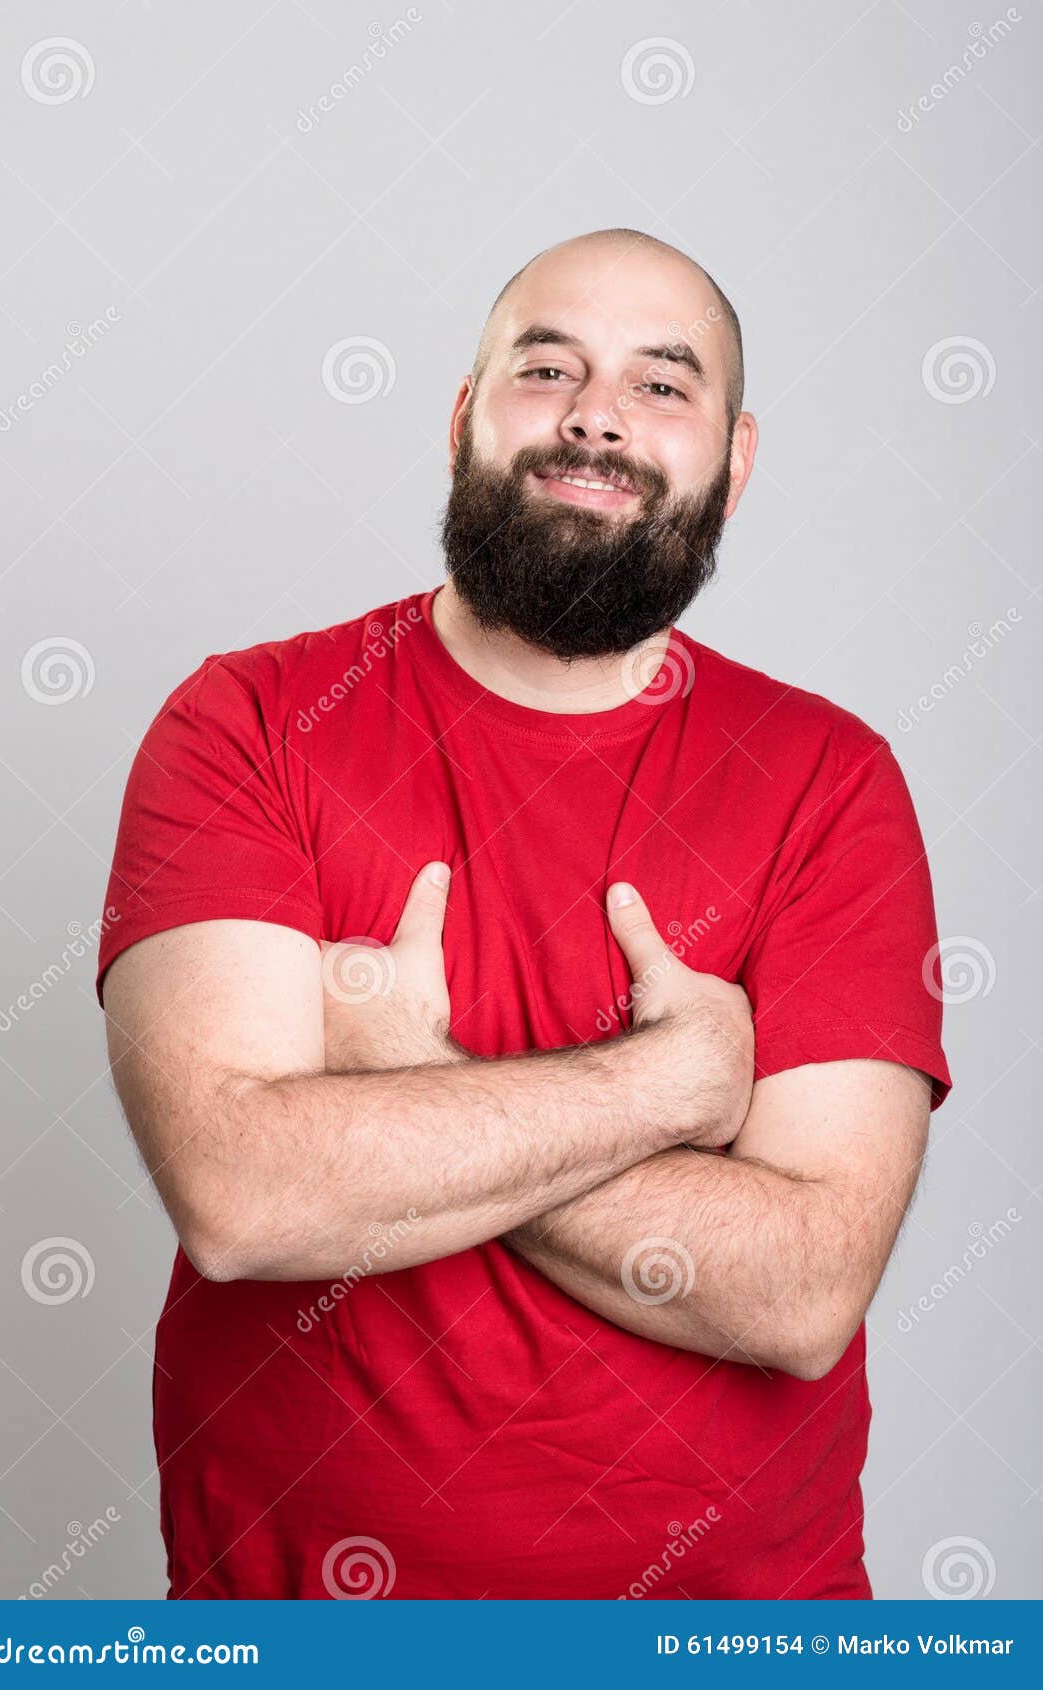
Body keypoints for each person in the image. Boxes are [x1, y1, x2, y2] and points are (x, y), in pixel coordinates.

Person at [98, 228, 951, 1601]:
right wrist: (669, 1083)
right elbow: (245, 1194)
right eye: (545, 365)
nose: (596, 413)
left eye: (662, 386)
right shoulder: (246, 725)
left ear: (733, 462)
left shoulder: (828, 779)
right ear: (461, 419)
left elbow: (799, 1290)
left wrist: (407, 1091)